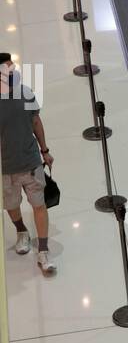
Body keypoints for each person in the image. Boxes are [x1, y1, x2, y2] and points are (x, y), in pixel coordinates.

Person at [0, 54, 57, 276]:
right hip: (5, 168)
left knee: (39, 204)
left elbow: (35, 121)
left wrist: (45, 150)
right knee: (11, 205)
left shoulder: (26, 93)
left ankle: (43, 249)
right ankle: (22, 231)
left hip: (31, 161)